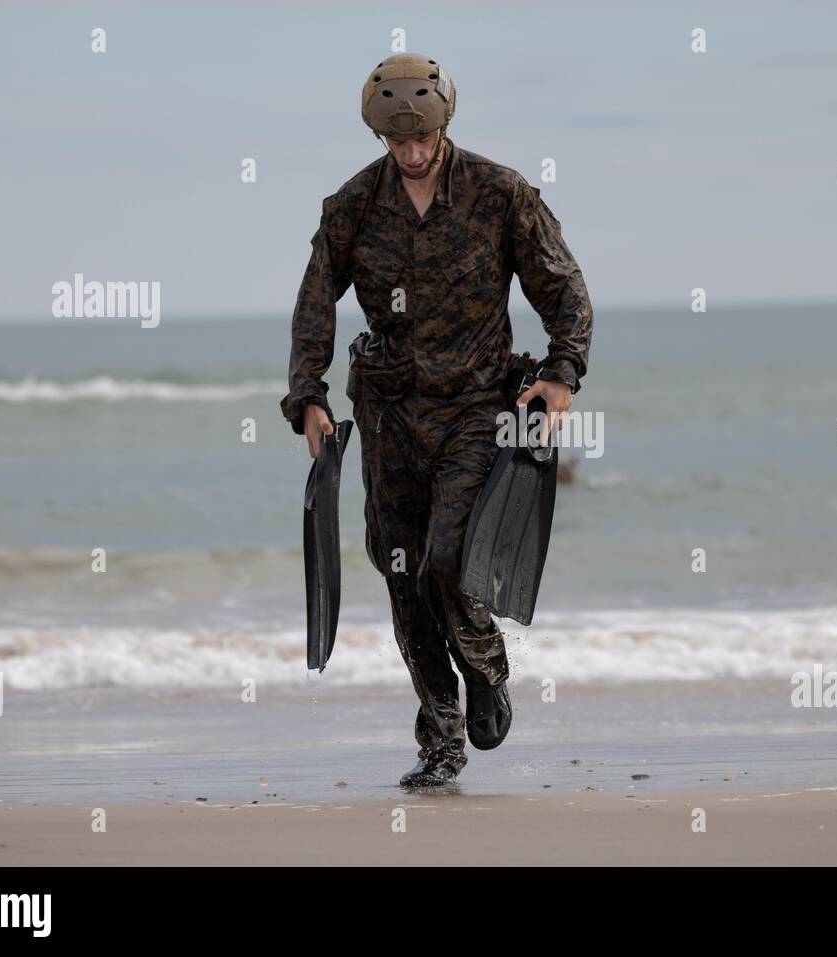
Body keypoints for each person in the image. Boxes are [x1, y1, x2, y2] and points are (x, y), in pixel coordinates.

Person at [280, 54, 593, 788]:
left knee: (449, 558)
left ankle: (486, 668)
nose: (413, 154)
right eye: (398, 143)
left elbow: (564, 289)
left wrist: (560, 372)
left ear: (445, 122)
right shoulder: (351, 208)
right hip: (388, 415)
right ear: (380, 135)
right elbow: (314, 303)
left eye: (423, 139)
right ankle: (441, 738)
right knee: (401, 575)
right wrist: (309, 396)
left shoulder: (500, 194)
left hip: (477, 409)